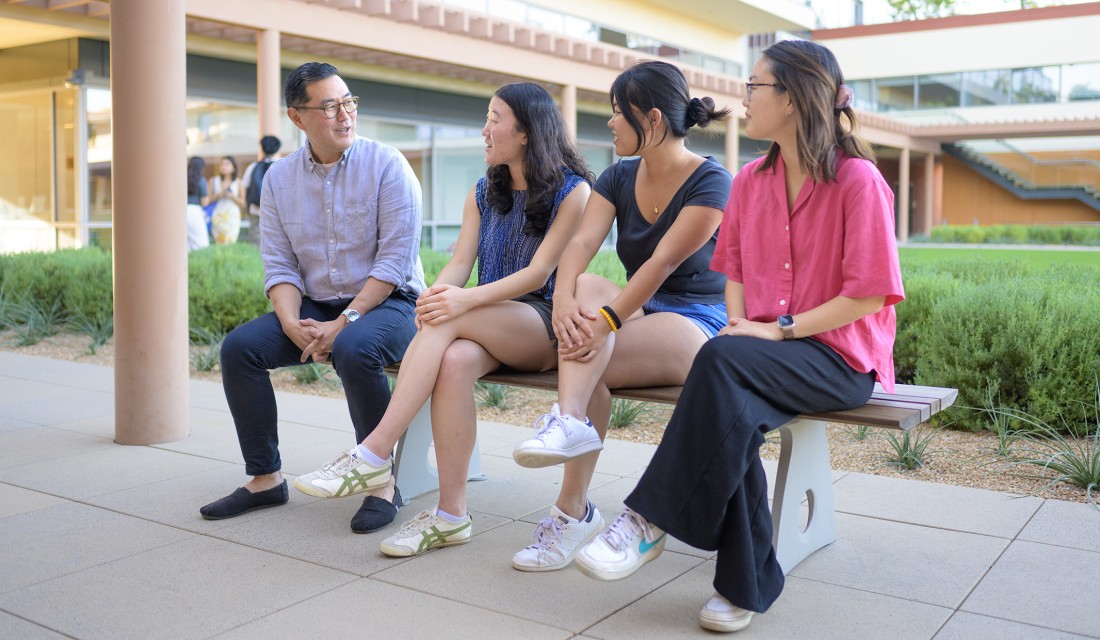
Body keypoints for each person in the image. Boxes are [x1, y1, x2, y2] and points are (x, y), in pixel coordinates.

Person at [573, 40, 905, 634]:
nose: (744, 98)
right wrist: (741, 328)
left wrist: (778, 331)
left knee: (724, 368)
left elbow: (869, 296)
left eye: (756, 87)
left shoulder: (859, 182)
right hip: (759, 349)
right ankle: (742, 587)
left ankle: (647, 520)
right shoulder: (751, 180)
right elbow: (736, 275)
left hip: (838, 358)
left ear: (796, 98)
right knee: (731, 399)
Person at [293, 82, 592, 556]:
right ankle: (452, 515)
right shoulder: (482, 191)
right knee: (451, 359)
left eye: (495, 119)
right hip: (485, 321)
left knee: (447, 320)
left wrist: (460, 303)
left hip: (540, 321)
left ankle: (374, 451)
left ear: (527, 134)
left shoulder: (573, 194)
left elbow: (539, 273)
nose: (485, 129)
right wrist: (437, 294)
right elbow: (459, 264)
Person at [508, 60, 734, 572]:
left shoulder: (712, 181)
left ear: (651, 119)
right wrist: (563, 299)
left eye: (616, 112)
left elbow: (663, 263)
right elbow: (582, 243)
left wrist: (605, 322)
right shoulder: (618, 175)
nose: (609, 122)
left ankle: (570, 510)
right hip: (638, 308)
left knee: (589, 354)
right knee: (586, 291)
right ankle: (570, 435)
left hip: (697, 320)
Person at [199, 62, 425, 535]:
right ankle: (265, 478)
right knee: (240, 349)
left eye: (348, 102)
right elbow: (280, 266)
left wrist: (342, 323)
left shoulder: (387, 165)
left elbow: (394, 264)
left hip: (393, 305)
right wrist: (288, 321)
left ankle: (380, 482)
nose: (344, 116)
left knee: (355, 347)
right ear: (297, 118)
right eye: (328, 107)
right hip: (318, 307)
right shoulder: (280, 179)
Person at [241, 135, 282, 245]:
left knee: (256, 245)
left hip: (256, 210)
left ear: (262, 148)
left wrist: (246, 210)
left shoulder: (253, 166)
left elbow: (245, 188)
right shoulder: (282, 165)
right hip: (279, 213)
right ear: (278, 148)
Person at [209, 155, 245, 244]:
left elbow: (243, 203)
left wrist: (232, 196)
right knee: (219, 242)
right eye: (221, 164)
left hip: (232, 215)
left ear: (233, 167)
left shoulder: (238, 182)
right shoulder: (213, 181)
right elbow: (207, 201)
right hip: (217, 214)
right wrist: (219, 194)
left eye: (227, 164)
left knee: (231, 241)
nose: (223, 167)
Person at [186, 156, 210, 251]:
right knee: (201, 244)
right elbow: (204, 202)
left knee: (185, 243)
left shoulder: (182, 179)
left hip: (180, 211)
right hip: (194, 211)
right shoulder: (201, 180)